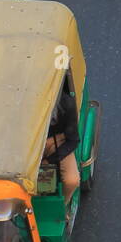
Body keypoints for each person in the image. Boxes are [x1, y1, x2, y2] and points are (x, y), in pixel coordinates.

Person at [42, 90, 81, 219]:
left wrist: (49, 160)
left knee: (72, 180)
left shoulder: (66, 103)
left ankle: (62, 207)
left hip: (56, 141)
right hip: (29, 145)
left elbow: (73, 141)